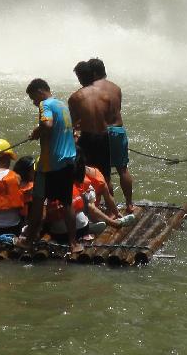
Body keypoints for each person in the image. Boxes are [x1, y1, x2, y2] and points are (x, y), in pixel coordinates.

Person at [17, 78, 83, 253]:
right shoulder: (62, 105)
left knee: (38, 202)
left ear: (40, 92)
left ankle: (28, 240)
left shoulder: (45, 105)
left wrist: (36, 132)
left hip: (50, 164)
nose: (34, 103)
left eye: (33, 98)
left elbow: (47, 124)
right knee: (66, 203)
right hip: (69, 160)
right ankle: (74, 244)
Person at [67, 60, 120, 218]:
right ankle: (111, 211)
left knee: (84, 175)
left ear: (80, 78)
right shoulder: (105, 95)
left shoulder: (75, 97)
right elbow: (109, 117)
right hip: (104, 137)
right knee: (106, 176)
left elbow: (73, 124)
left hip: (87, 138)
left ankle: (87, 210)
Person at [88, 58, 136, 214]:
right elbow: (117, 108)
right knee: (123, 169)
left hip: (103, 132)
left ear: (94, 73)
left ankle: (111, 209)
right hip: (119, 130)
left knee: (104, 172)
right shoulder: (116, 88)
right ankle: (129, 204)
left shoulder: (92, 89)